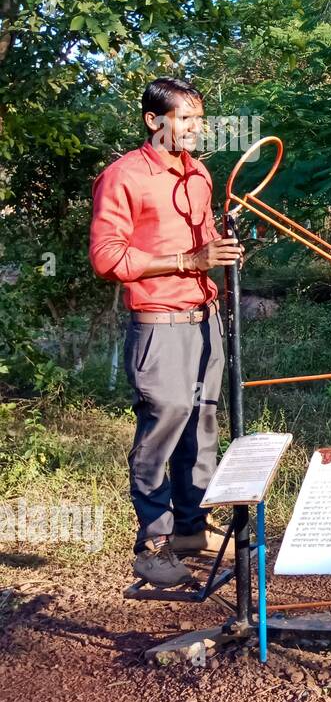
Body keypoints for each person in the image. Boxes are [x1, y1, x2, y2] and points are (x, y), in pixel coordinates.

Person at [89, 78, 243, 586]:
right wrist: (186, 261)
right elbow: (107, 256)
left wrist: (222, 248)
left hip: (206, 321)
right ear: (154, 121)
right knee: (166, 420)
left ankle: (192, 530)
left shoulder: (198, 173)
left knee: (202, 423)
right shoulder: (123, 176)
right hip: (158, 322)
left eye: (200, 120)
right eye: (185, 120)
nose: (196, 130)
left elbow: (205, 242)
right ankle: (152, 544)